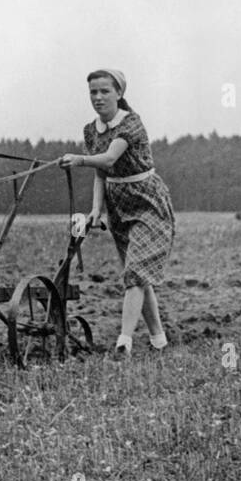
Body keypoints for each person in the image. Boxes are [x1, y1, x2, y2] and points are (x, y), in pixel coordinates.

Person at [60, 69, 175, 357]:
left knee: (135, 273)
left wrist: (78, 159)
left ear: (119, 93)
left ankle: (123, 342)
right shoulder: (90, 130)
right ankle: (159, 340)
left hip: (148, 202)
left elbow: (110, 157)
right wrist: (96, 209)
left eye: (104, 91)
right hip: (118, 206)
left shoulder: (131, 124)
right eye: (93, 92)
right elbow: (102, 172)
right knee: (139, 275)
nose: (98, 98)